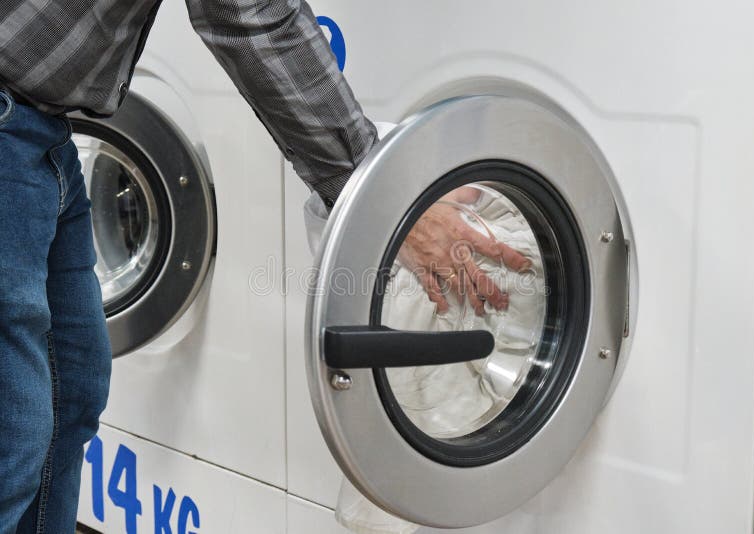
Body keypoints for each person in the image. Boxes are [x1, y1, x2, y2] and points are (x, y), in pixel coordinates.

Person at [0, 1, 528, 532]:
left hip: (41, 134)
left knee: (66, 399)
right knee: (15, 434)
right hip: (12, 128)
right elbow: (246, 11)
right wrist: (388, 200)